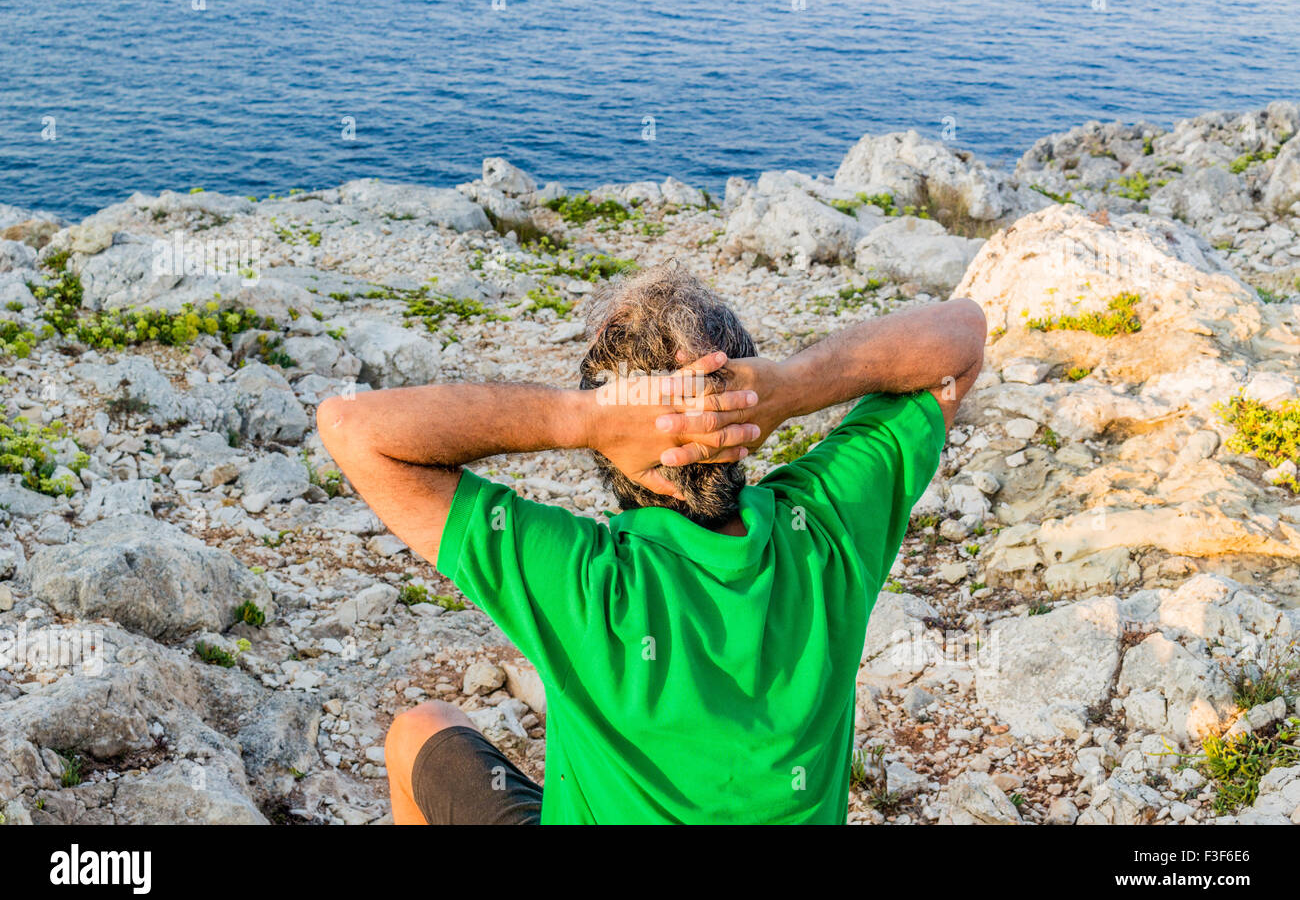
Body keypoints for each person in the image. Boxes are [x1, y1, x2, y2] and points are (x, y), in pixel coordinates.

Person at [317, 262, 986, 824]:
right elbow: (962, 336)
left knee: (417, 733)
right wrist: (790, 387)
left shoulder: (586, 582)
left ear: (617, 452)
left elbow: (352, 428)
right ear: (744, 403)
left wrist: (578, 418)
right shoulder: (830, 528)